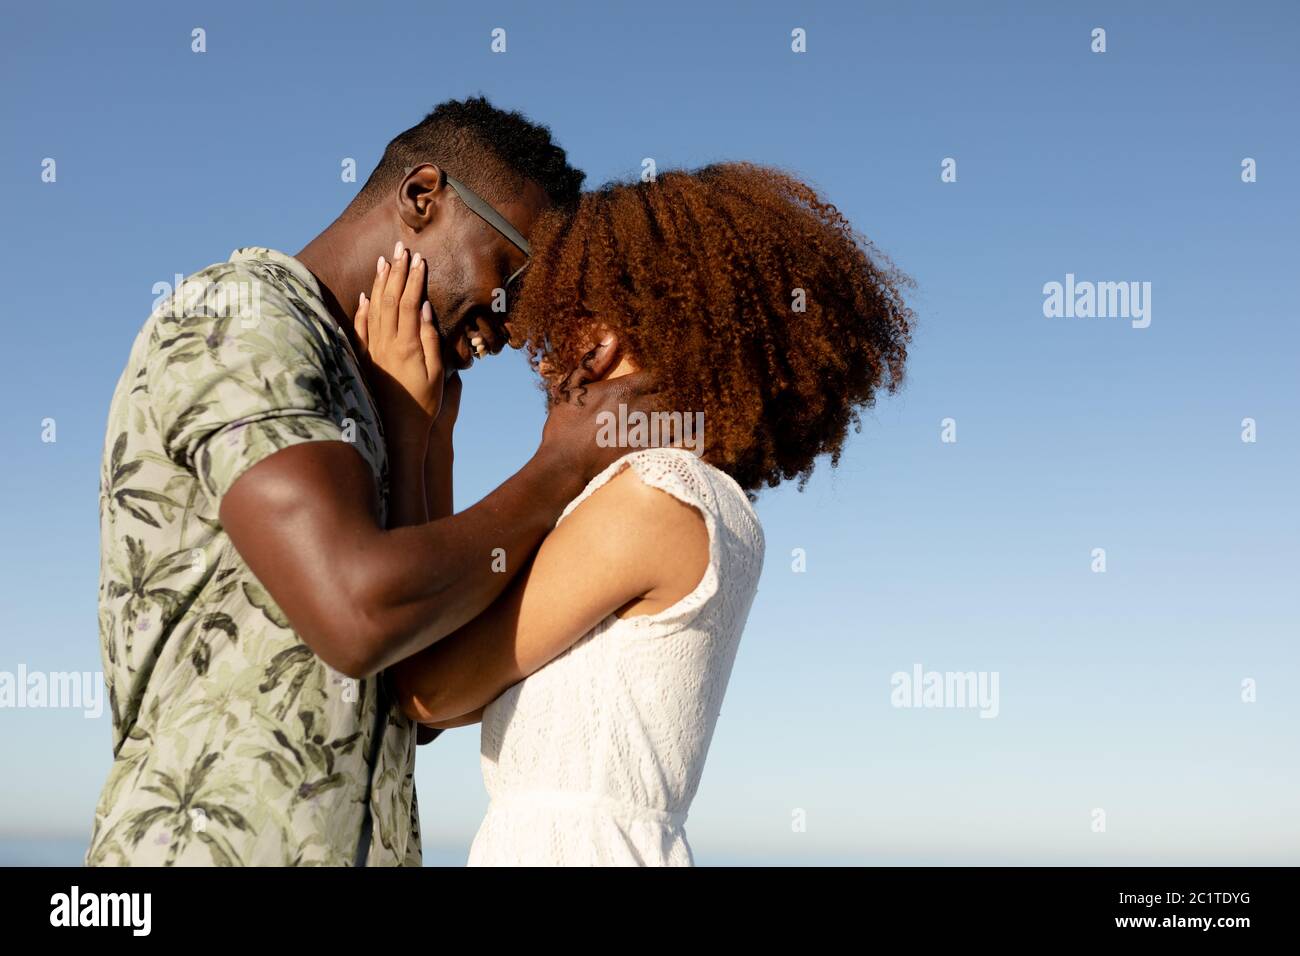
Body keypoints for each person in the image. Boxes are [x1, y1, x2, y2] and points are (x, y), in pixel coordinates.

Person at [86, 97, 653, 866]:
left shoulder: (371, 388)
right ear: (423, 197)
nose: (512, 326)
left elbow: (414, 697)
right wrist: (563, 465)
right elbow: (357, 614)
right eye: (512, 280)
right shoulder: (241, 319)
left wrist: (424, 440)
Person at [365, 163, 914, 865]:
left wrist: (408, 419)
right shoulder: (700, 502)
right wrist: (437, 438)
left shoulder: (652, 497)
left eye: (564, 318)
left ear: (607, 338)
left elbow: (427, 690)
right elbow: (451, 676)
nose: (543, 360)